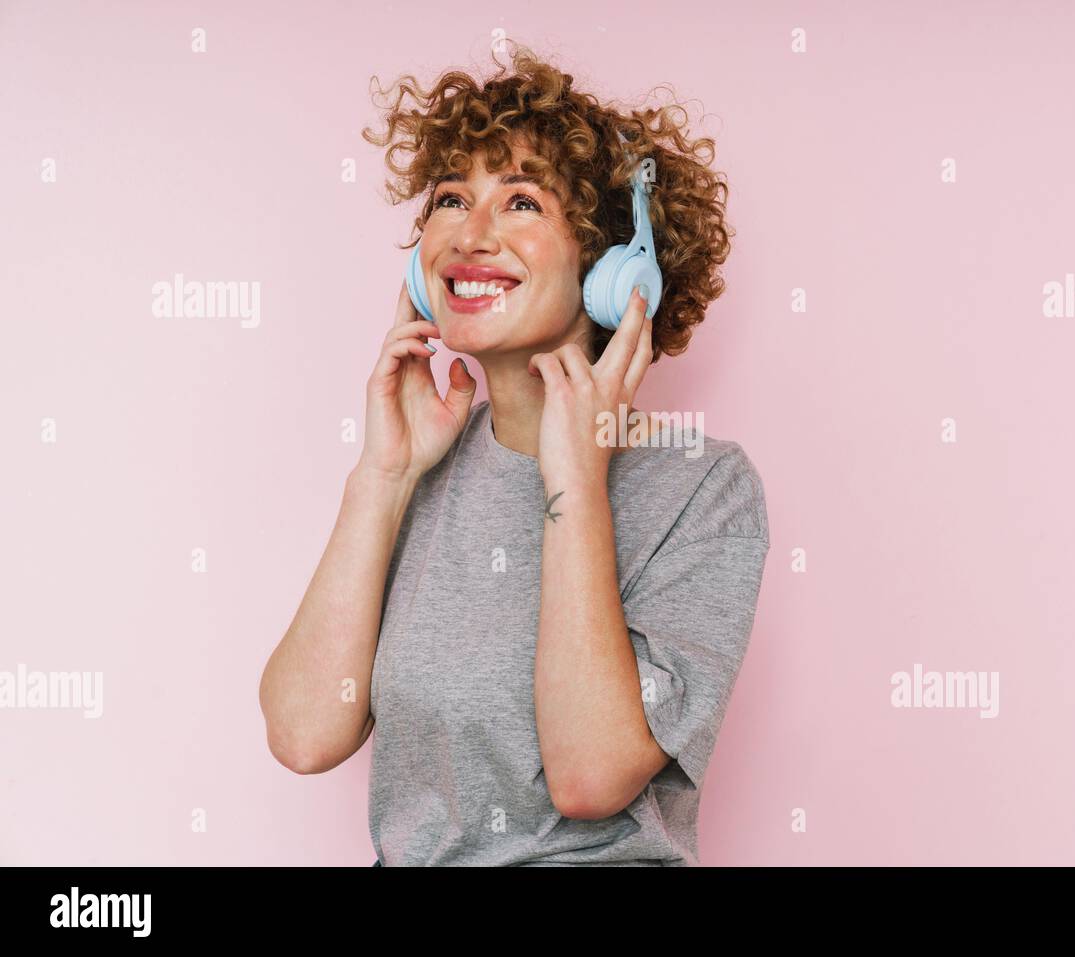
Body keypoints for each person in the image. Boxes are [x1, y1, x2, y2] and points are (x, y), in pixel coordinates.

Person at [259, 42, 770, 866]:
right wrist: (381, 478)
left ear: (614, 271)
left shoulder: (705, 489)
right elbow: (304, 733)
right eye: (453, 198)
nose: (472, 233)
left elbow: (590, 773)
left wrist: (575, 481)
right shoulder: (423, 468)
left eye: (522, 202)